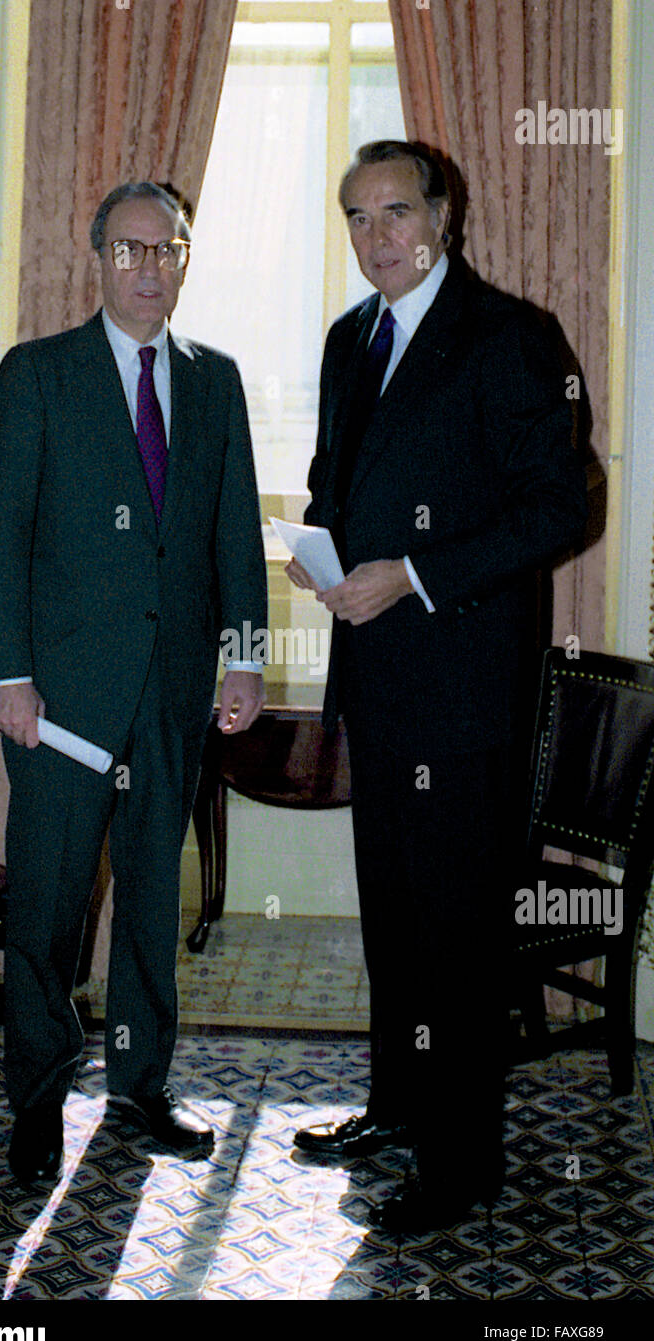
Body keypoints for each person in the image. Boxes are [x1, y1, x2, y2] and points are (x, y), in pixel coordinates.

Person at [287, 141, 587, 1234]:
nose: (379, 237)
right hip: (378, 686)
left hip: (462, 697)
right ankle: (397, 1107)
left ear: (444, 215)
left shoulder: (512, 338)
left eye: (398, 212)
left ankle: (459, 1167)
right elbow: (338, 479)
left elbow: (560, 507)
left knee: (458, 938)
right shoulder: (344, 340)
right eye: (359, 218)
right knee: (395, 925)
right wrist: (318, 543)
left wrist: (409, 573)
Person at [0, 180, 267, 1185]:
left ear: (187, 259)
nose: (150, 268)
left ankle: (142, 1086)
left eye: (168, 249)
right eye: (131, 250)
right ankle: (40, 1098)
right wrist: (8, 674)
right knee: (49, 905)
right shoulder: (38, 375)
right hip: (59, 702)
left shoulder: (216, 382)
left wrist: (246, 653)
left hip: (174, 693)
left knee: (148, 898)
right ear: (98, 259)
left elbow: (233, 534)